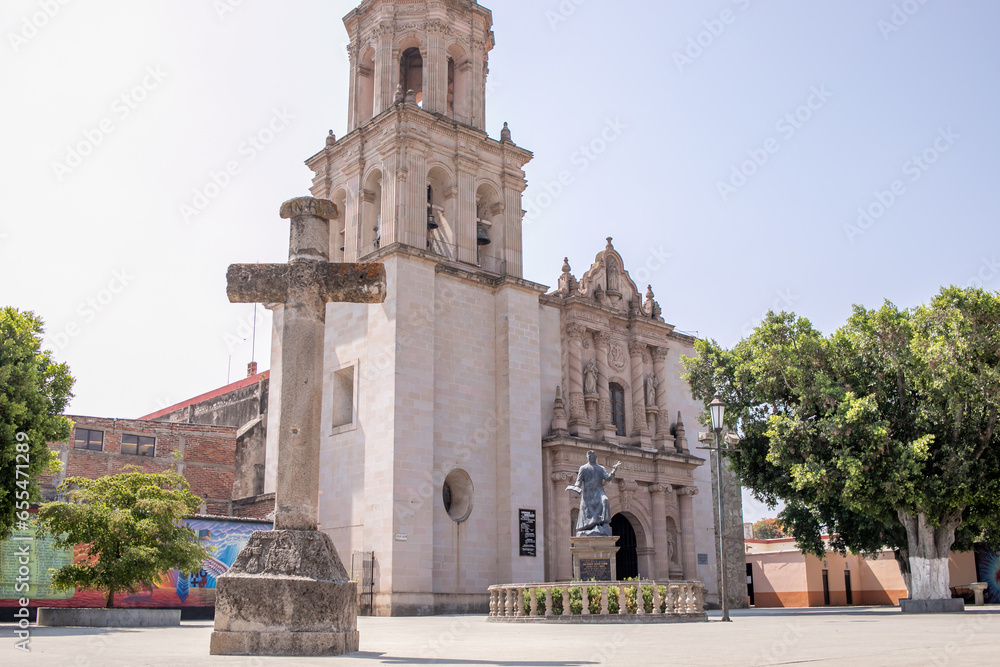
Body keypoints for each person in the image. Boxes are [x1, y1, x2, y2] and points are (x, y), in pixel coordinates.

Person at [566, 451, 621, 536]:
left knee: (605, 500)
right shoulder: (583, 468)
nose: (591, 458)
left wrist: (613, 471)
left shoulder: (601, 468)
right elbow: (578, 482)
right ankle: (589, 526)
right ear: (587, 458)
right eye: (589, 457)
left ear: (596, 457)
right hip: (588, 493)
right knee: (588, 511)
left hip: (599, 491)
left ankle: (604, 522)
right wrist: (575, 487)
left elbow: (608, 478)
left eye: (593, 456)